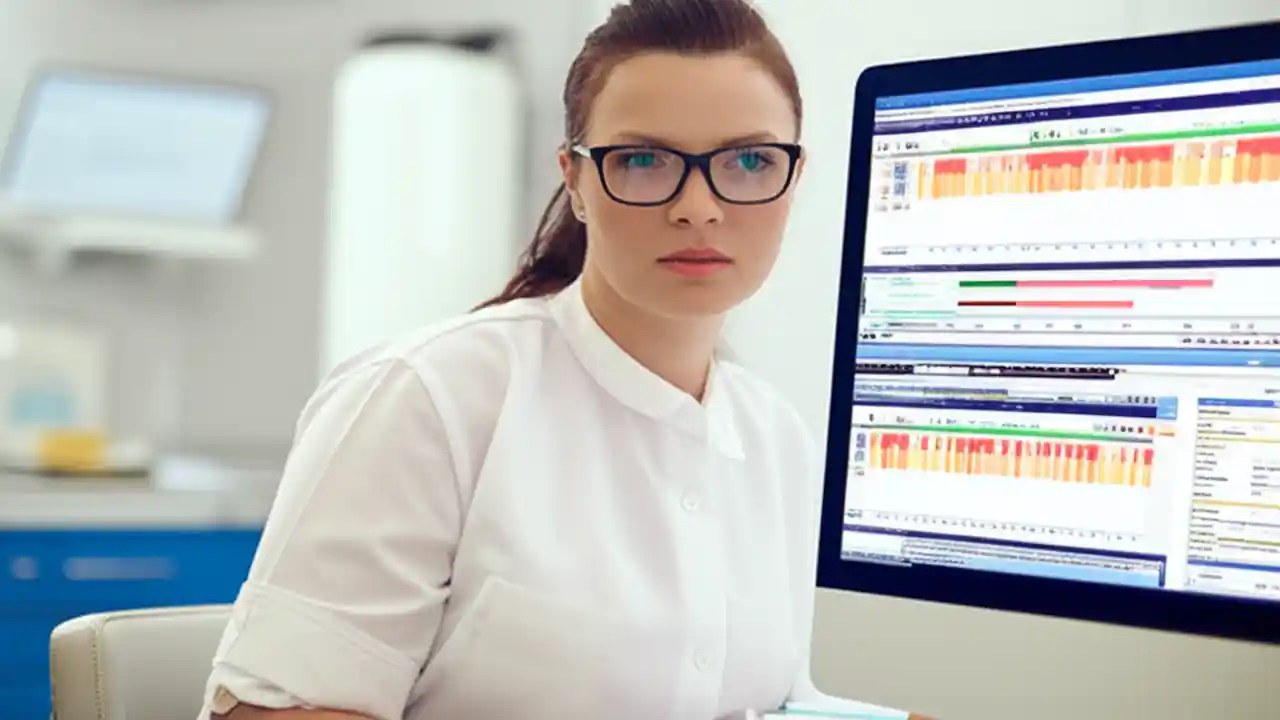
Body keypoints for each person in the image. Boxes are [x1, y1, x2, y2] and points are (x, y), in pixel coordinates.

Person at [202, 1, 888, 718]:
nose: (698, 207)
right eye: (644, 160)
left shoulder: (780, 441)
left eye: (749, 161)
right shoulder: (431, 400)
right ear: (577, 180)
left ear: (795, 174)